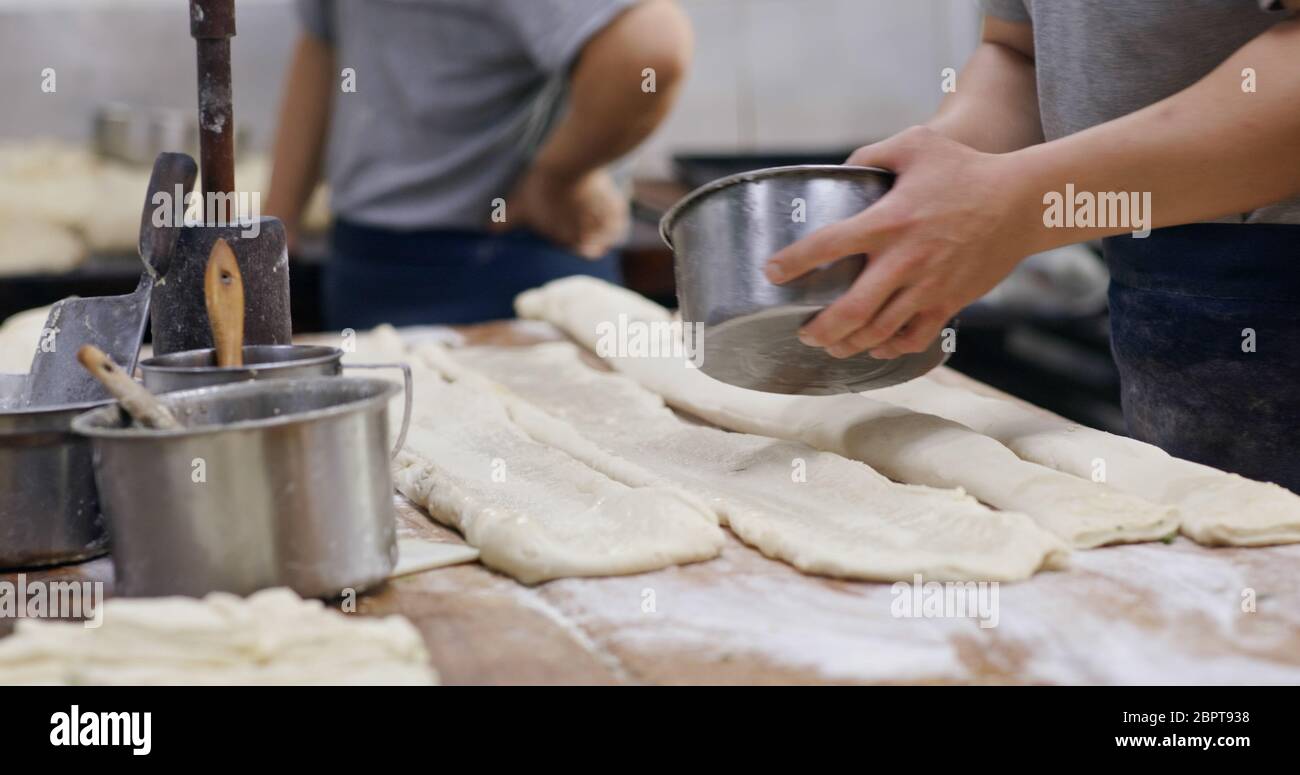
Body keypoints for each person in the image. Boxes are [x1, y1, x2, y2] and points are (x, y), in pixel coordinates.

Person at [765, 0, 1300, 490]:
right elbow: (1018, 53)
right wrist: (940, 182)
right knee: (1214, 557)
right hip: (1161, 288)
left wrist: (1020, 201)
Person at [266, 0, 691, 327]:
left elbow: (649, 51)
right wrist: (272, 236)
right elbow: (324, 38)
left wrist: (556, 179)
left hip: (514, 267)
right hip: (363, 266)